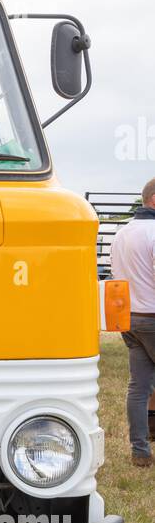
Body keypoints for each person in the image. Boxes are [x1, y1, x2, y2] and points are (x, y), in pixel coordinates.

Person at [111, 178, 155, 467]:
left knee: (138, 386)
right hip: (152, 315)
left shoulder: (121, 233)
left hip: (129, 317)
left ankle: (140, 451)